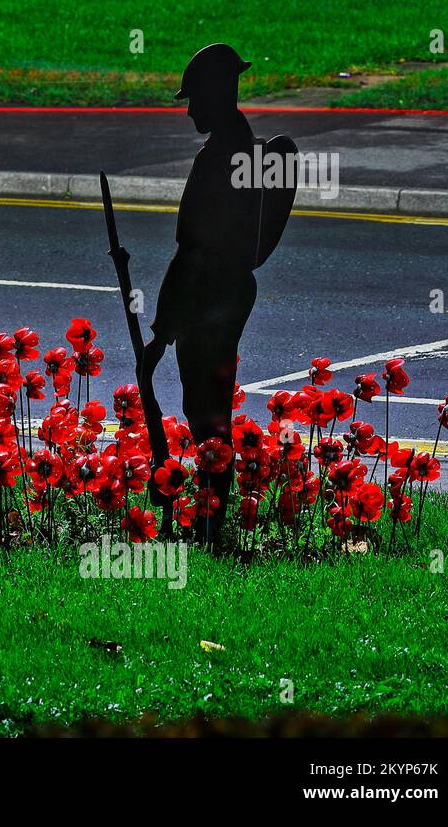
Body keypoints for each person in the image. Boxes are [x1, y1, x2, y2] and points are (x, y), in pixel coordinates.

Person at [138, 43, 297, 546]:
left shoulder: (220, 159)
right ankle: (208, 519)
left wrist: (162, 334)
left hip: (208, 295)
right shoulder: (248, 150)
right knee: (209, 410)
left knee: (207, 414)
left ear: (216, 94)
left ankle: (209, 525)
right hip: (230, 290)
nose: (188, 110)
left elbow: (192, 249)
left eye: (193, 99)